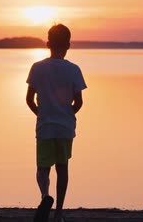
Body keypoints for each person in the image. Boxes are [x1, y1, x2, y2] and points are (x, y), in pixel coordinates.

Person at [26, 24, 87, 222]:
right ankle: (59, 212)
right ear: (68, 45)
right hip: (65, 128)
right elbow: (78, 102)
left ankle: (45, 196)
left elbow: (29, 99)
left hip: (45, 126)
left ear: (48, 44)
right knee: (62, 169)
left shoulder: (37, 68)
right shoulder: (74, 70)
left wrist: (40, 113)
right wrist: (67, 114)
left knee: (42, 168)